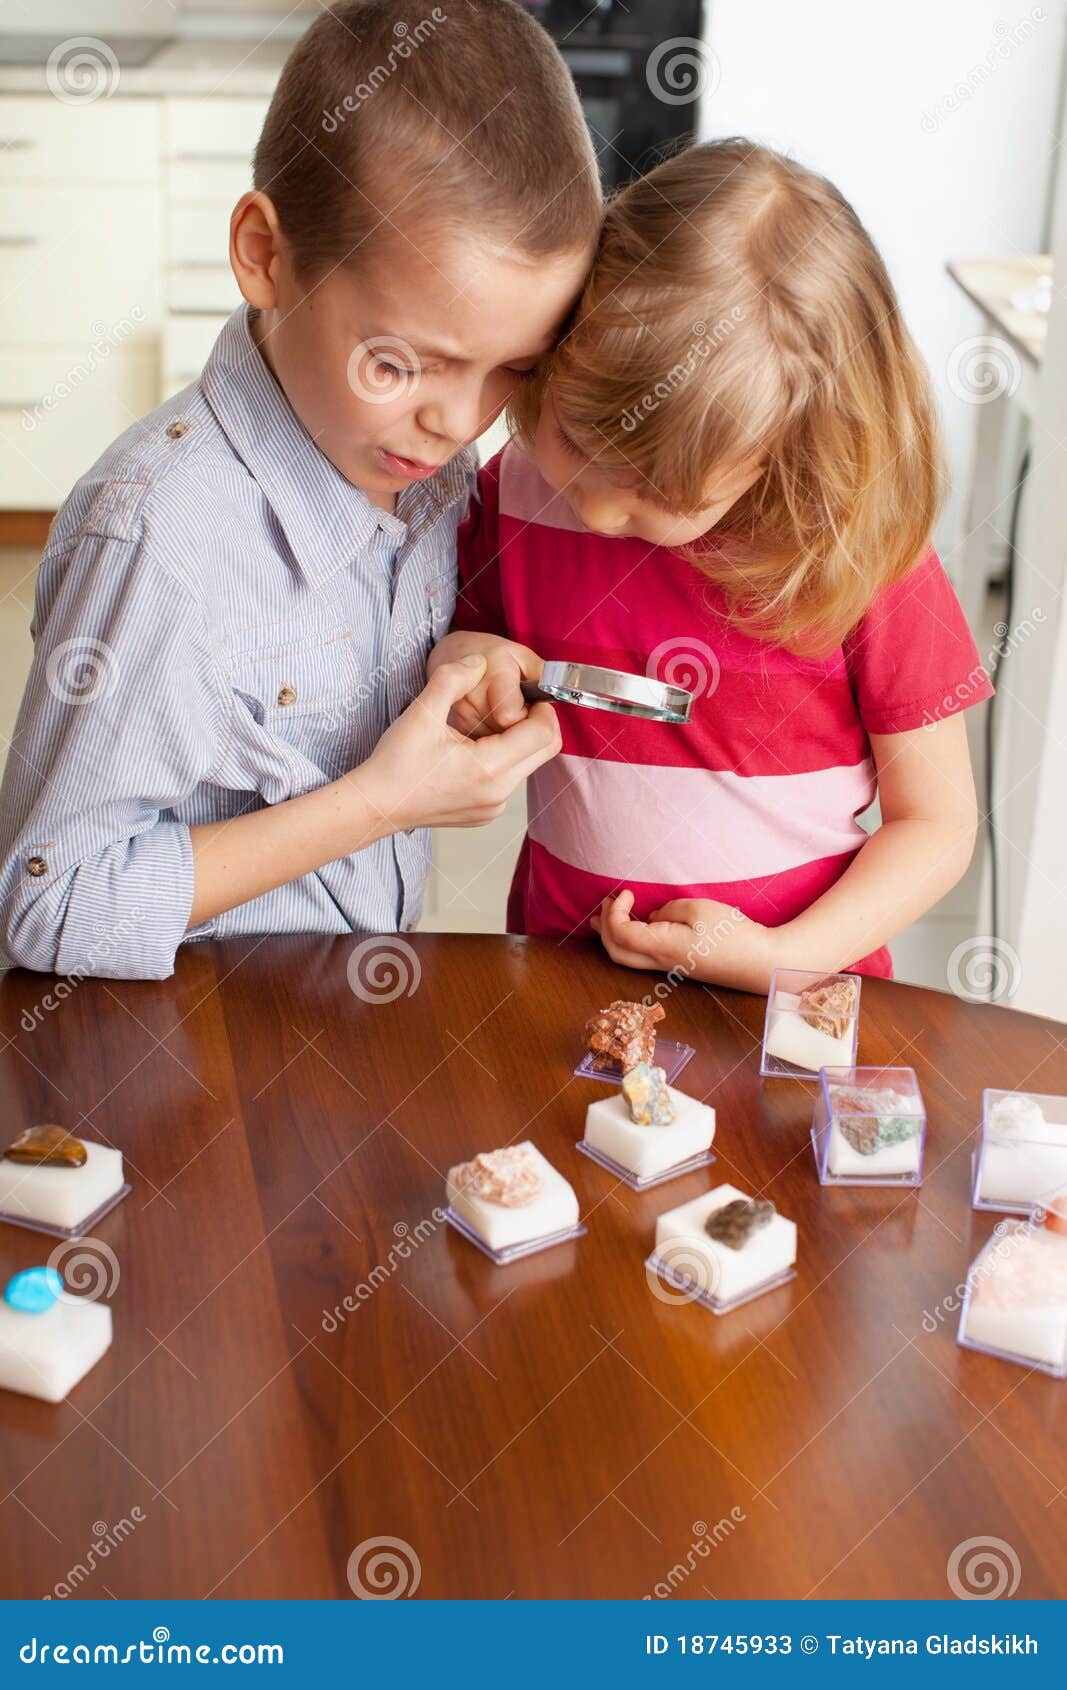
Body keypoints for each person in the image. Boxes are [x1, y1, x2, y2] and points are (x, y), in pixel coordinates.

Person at [0, 0, 600, 979]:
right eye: (405, 362)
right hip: (192, 1066)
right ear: (265, 256)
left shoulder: (423, 474)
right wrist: (379, 801)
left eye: (509, 371)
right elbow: (49, 906)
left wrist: (451, 663)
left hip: (335, 1034)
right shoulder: (156, 539)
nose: (460, 421)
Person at [432, 140, 991, 989]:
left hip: (791, 1000)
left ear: (785, 452)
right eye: (575, 439)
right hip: (560, 968)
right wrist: (466, 669)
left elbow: (938, 824)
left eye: (656, 489)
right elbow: (459, 640)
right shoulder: (513, 489)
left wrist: (780, 958)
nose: (596, 505)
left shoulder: (859, 554)